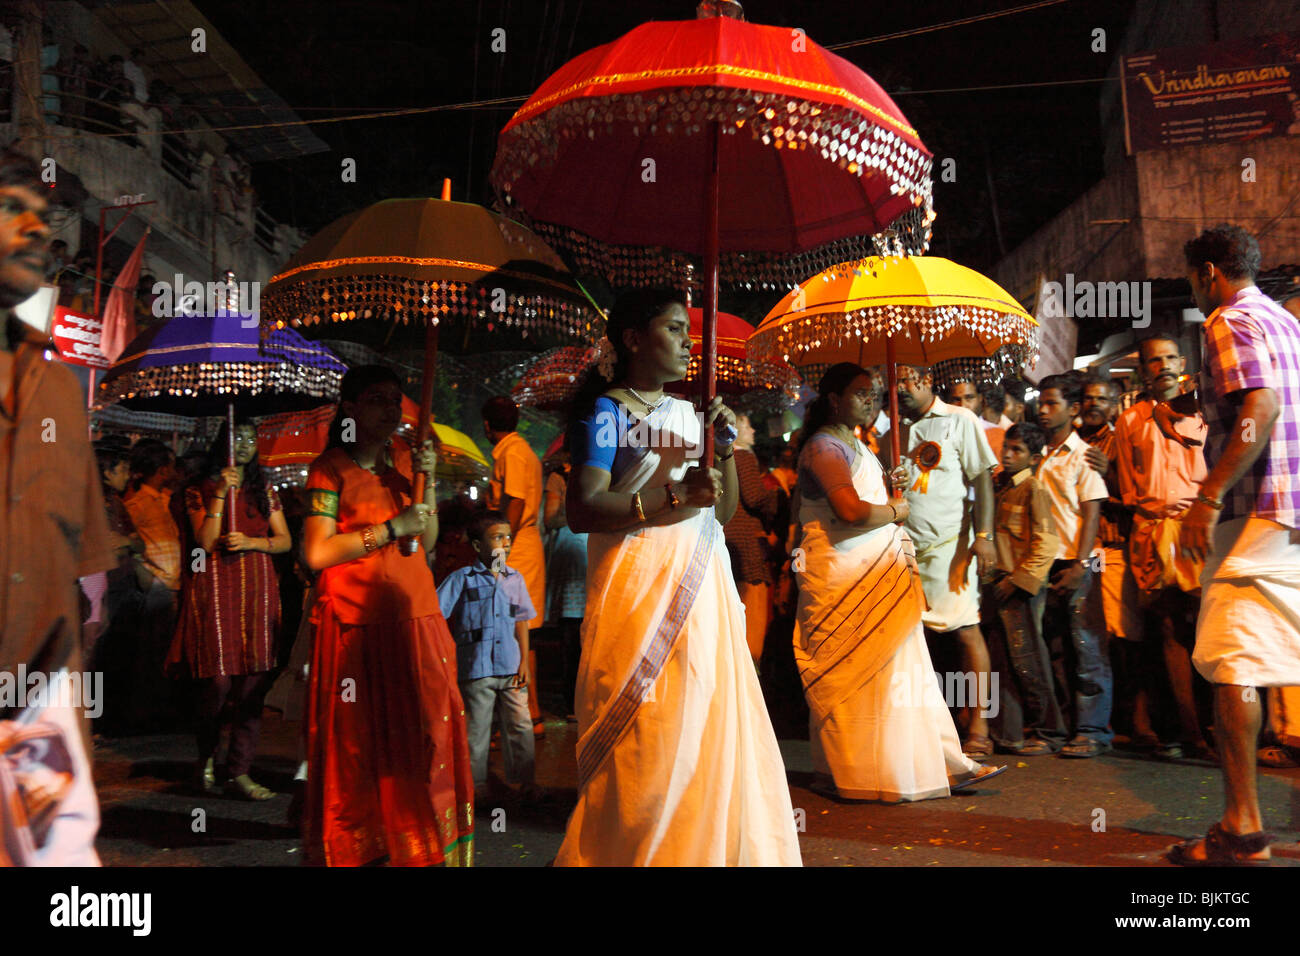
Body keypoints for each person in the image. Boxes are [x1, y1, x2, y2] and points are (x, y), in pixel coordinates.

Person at [556, 289, 800, 865]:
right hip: (635, 589)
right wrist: (672, 494)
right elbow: (585, 507)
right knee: (648, 726)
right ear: (634, 339)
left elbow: (721, 508)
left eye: (688, 334)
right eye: (673, 330)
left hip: (701, 587)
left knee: (703, 713)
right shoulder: (606, 414)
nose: (688, 343)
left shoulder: (693, 415)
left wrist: (720, 454)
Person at [794, 362, 1005, 802]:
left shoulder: (859, 442)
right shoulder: (824, 445)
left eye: (873, 393)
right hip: (844, 576)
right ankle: (856, 770)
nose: (871, 401)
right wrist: (896, 511)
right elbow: (849, 512)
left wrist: (892, 489)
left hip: (881, 573)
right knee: (857, 675)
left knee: (903, 672)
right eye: (860, 393)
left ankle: (930, 761)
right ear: (834, 399)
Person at [1157, 226, 1300, 865]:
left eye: (1192, 278)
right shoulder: (1285, 322)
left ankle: (1242, 827)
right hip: (1291, 512)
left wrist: (1208, 495)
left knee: (1232, 659)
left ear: (1208, 272)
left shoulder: (1227, 319)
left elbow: (1260, 407)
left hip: (1253, 512)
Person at [301, 365, 474, 867]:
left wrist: (429, 481)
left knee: (428, 736)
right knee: (360, 747)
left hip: (417, 614)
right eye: (377, 399)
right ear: (350, 408)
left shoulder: (407, 462)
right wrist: (391, 527)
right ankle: (368, 845)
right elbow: (317, 553)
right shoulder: (328, 468)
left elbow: (429, 542)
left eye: (395, 400)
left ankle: (419, 843)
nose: (390, 409)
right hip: (357, 626)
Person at [0, 145, 114, 865]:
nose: (36, 232)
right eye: (12, 210)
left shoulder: (61, 391)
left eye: (42, 218)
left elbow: (81, 567)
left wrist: (65, 718)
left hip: (36, 716)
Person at [167, 420, 291, 800]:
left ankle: (240, 770)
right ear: (224, 442)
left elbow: (285, 541)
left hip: (256, 586)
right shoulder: (196, 490)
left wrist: (254, 543)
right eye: (239, 438)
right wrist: (221, 493)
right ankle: (205, 758)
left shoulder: (264, 490)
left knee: (253, 683)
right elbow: (204, 542)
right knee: (217, 681)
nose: (246, 445)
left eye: (252, 440)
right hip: (215, 587)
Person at [894, 365, 999, 758]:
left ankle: (981, 726)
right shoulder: (894, 430)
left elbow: (983, 478)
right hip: (905, 550)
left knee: (965, 631)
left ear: (925, 379)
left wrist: (984, 537)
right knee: (911, 639)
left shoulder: (960, 420)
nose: (900, 388)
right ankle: (929, 725)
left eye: (907, 379)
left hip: (953, 547)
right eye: (893, 381)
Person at [1114, 336, 1211, 759]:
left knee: (1211, 628)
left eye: (1170, 357)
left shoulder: (1206, 413)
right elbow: (1128, 490)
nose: (1163, 365)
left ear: (1182, 363)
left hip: (1201, 529)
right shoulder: (1131, 420)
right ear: (1144, 369)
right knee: (1169, 630)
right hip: (1152, 530)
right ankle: (1191, 733)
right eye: (1155, 360)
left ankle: (1220, 725)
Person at [437, 510, 541, 804]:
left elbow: (522, 620)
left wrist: (523, 661)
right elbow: (437, 613)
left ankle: (525, 780)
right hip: (476, 666)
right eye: (497, 537)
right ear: (477, 545)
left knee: (519, 724)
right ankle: (476, 784)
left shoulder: (514, 578)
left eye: (508, 537)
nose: (505, 543)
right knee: (477, 728)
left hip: (509, 665)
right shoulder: (463, 578)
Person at [1034, 373, 1113, 758]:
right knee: (1053, 647)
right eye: (1041, 403)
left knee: (1087, 648)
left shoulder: (1082, 456)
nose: (1043, 410)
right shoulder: (1038, 454)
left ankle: (1093, 729)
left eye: (1051, 403)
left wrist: (1082, 564)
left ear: (1074, 409)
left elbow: (1091, 512)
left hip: (1079, 560)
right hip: (1042, 562)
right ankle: (1059, 727)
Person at [984, 422, 1065, 754]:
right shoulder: (999, 485)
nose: (1007, 454)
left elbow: (1047, 543)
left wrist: (1017, 580)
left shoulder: (1034, 489)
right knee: (1002, 662)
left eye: (1016, 450)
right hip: (998, 585)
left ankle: (1051, 733)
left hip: (1019, 588)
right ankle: (1008, 733)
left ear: (1034, 457)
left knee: (1029, 660)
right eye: (1007, 447)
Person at [483, 396, 547, 737]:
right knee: (524, 635)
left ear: (486, 426)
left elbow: (516, 502)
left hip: (515, 551)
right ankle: (530, 715)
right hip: (523, 548)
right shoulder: (521, 450)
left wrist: (496, 553)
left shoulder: (511, 452)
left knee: (508, 634)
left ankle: (518, 718)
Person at [122, 437, 184, 732]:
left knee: (165, 651)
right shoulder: (137, 504)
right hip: (157, 585)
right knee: (153, 653)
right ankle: (147, 716)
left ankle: (161, 711)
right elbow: (132, 546)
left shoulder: (166, 499)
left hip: (171, 583)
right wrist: (148, 577)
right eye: (171, 465)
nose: (175, 470)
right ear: (161, 470)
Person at [723, 413, 780, 667]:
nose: (754, 430)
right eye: (747, 425)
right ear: (733, 428)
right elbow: (755, 497)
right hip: (745, 542)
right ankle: (751, 667)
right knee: (752, 610)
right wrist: (779, 498)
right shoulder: (742, 457)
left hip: (726, 540)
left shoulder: (718, 457)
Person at [542, 452, 586, 720]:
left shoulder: (608, 471)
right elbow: (550, 519)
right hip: (570, 560)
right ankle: (571, 703)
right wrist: (578, 508)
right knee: (571, 637)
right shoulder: (559, 477)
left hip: (593, 559)